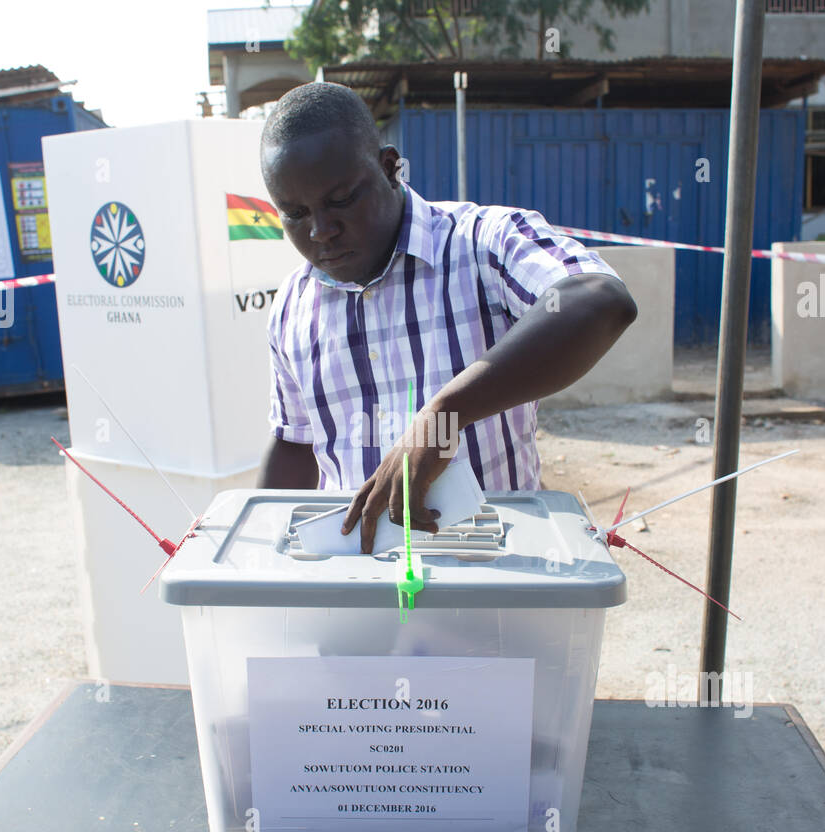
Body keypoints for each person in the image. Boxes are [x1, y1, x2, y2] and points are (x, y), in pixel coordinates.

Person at [257, 81, 637, 554]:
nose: (321, 231)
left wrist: (442, 419)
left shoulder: (482, 244)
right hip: (354, 592)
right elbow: (296, 445)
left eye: (340, 200)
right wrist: (261, 559)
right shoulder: (293, 304)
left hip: (498, 585)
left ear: (390, 168)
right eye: (294, 213)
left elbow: (600, 300)